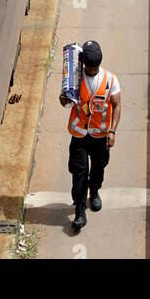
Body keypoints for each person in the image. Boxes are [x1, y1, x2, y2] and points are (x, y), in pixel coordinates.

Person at [59, 40, 121, 230]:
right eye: (89, 68)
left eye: (95, 68)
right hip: (79, 135)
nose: (92, 71)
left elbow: (117, 105)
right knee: (79, 172)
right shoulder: (74, 79)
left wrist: (112, 130)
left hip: (100, 135)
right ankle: (79, 210)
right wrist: (63, 100)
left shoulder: (111, 80)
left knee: (98, 168)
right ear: (83, 64)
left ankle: (94, 192)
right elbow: (66, 102)